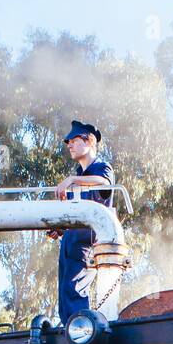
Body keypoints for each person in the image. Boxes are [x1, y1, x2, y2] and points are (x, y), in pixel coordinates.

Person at [51, 120, 114, 324]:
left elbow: (105, 183)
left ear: (90, 141)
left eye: (74, 140)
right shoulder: (78, 177)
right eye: (67, 141)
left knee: (75, 291)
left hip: (86, 245)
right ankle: (70, 327)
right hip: (70, 243)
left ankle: (80, 331)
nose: (69, 144)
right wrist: (59, 229)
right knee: (64, 292)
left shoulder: (102, 168)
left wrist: (71, 180)